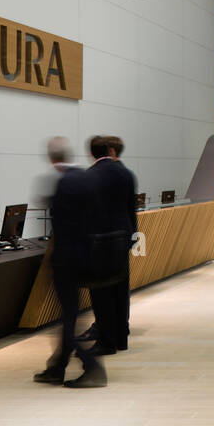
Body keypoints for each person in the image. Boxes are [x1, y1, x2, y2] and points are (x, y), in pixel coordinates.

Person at [33, 139, 107, 388]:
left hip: (67, 260)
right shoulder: (87, 178)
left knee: (68, 317)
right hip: (88, 257)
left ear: (52, 158)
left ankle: (92, 367)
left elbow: (61, 226)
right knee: (71, 315)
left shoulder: (61, 183)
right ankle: (57, 367)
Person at [85, 135, 138, 353]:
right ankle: (121, 336)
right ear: (111, 151)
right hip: (122, 237)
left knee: (101, 290)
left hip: (98, 240)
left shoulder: (89, 176)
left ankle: (105, 340)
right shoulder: (126, 174)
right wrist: (132, 236)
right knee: (120, 287)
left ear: (93, 153)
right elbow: (130, 209)